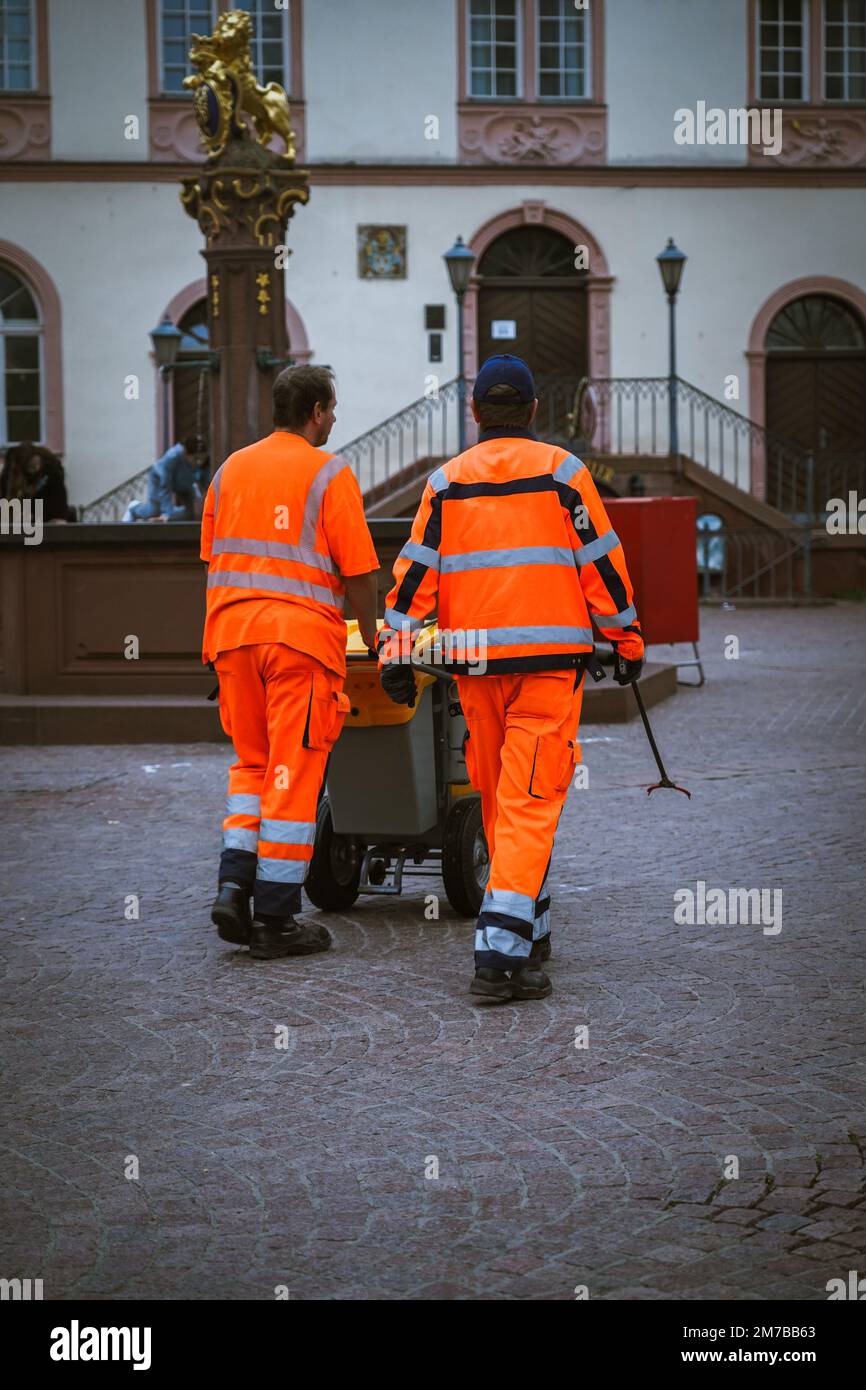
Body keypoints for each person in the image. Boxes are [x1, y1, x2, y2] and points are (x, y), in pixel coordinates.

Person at [378, 355, 645, 1002]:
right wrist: (626, 637)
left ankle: (531, 930)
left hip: (474, 664)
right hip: (549, 663)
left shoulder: (445, 483)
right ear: (531, 411)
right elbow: (601, 565)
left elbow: (414, 575)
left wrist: (394, 650)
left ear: (475, 413)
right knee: (529, 800)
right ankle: (499, 954)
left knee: (504, 799)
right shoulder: (564, 473)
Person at [201, 365, 379, 960]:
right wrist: (377, 640)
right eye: (334, 408)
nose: (335, 419)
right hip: (297, 644)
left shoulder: (229, 471)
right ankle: (275, 919)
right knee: (293, 775)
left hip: (230, 637)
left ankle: (234, 888)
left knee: (253, 767)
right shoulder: (329, 472)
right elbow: (359, 576)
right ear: (318, 411)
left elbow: (215, 559)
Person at [122, 436, 201, 522]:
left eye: (200, 459)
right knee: (154, 511)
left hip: (180, 482)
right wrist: (166, 513)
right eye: (195, 459)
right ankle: (134, 509)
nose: (198, 462)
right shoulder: (172, 457)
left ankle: (170, 514)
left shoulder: (195, 461)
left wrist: (197, 496)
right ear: (185, 453)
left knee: (190, 514)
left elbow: (196, 481)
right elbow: (165, 487)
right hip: (159, 479)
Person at [1, 441, 75, 522]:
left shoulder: (52, 473)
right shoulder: (12, 474)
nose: (35, 468)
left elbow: (57, 505)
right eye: (31, 466)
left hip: (46, 518)